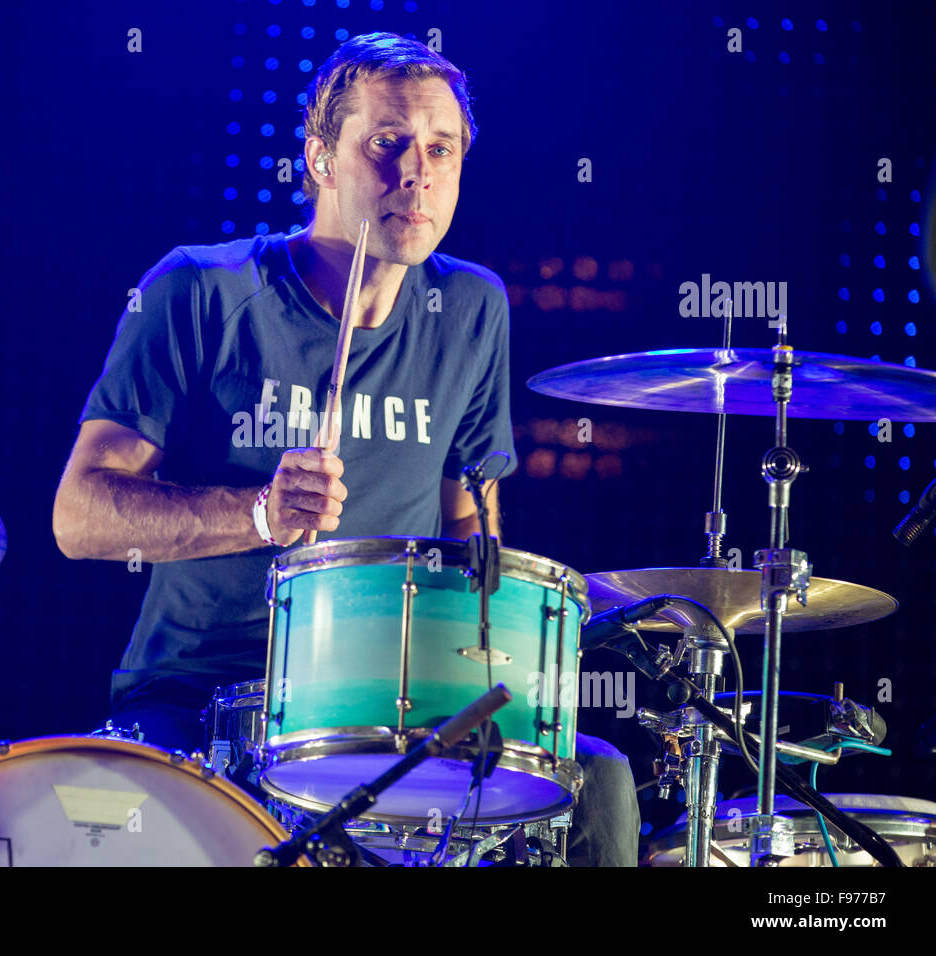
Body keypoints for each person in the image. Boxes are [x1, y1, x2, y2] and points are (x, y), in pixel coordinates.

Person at [54, 32, 638, 866]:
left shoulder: (472, 308)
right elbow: (79, 516)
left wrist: (496, 648)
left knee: (595, 781)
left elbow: (472, 528)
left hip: (388, 701)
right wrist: (258, 512)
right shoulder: (199, 289)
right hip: (201, 691)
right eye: (387, 144)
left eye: (442, 149)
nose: (417, 172)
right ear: (320, 158)